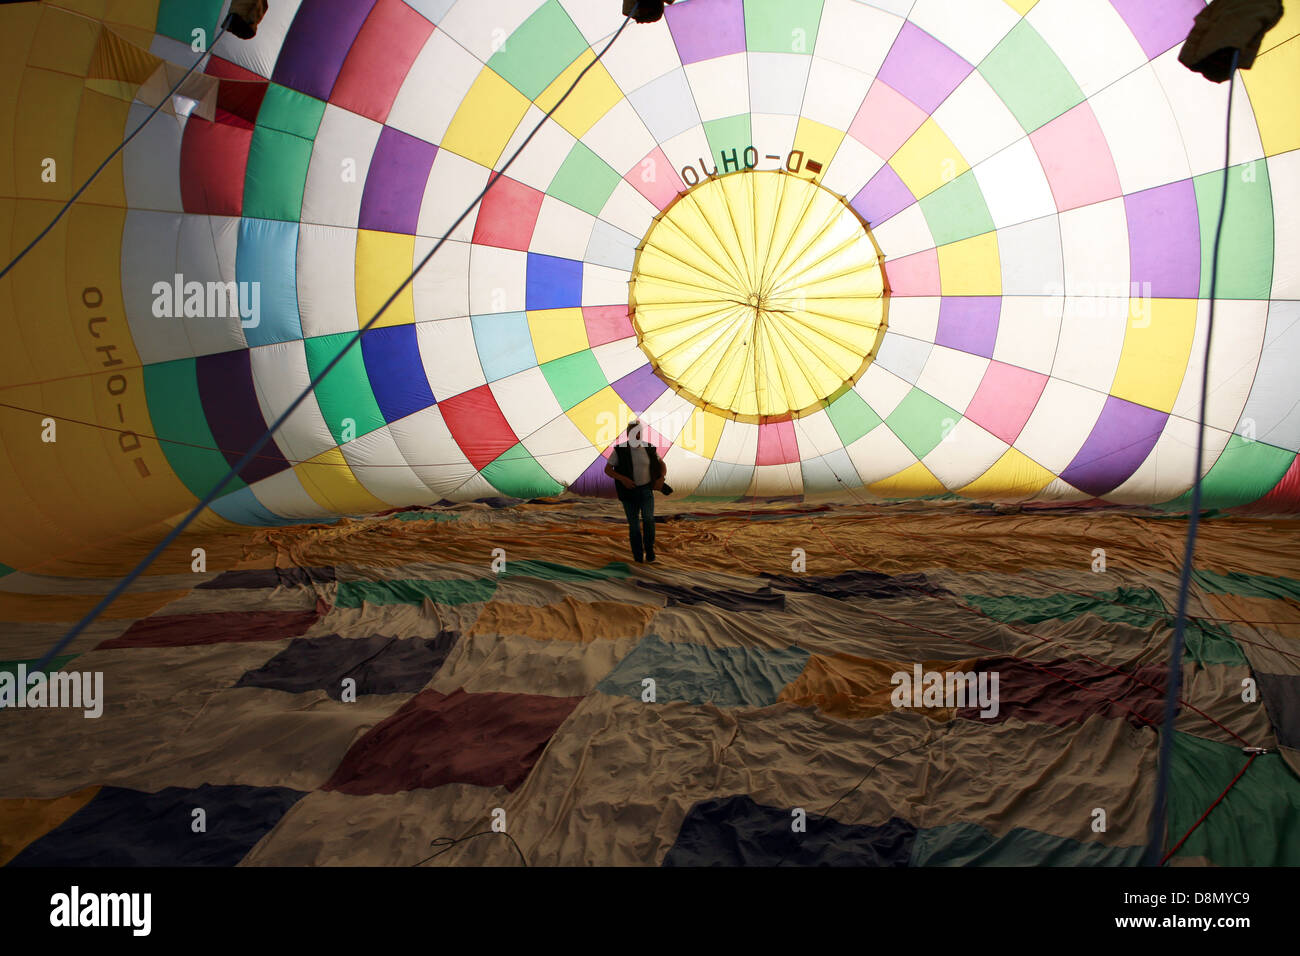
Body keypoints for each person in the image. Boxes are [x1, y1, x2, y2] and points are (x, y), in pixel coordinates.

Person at [604, 420, 666, 563]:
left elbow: (661, 464)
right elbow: (607, 470)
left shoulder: (649, 448)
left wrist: (661, 478)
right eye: (633, 432)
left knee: (649, 519)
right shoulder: (620, 450)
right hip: (628, 493)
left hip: (645, 490)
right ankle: (638, 556)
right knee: (634, 526)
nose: (636, 435)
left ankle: (649, 549)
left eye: (638, 432)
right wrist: (622, 479)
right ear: (627, 434)